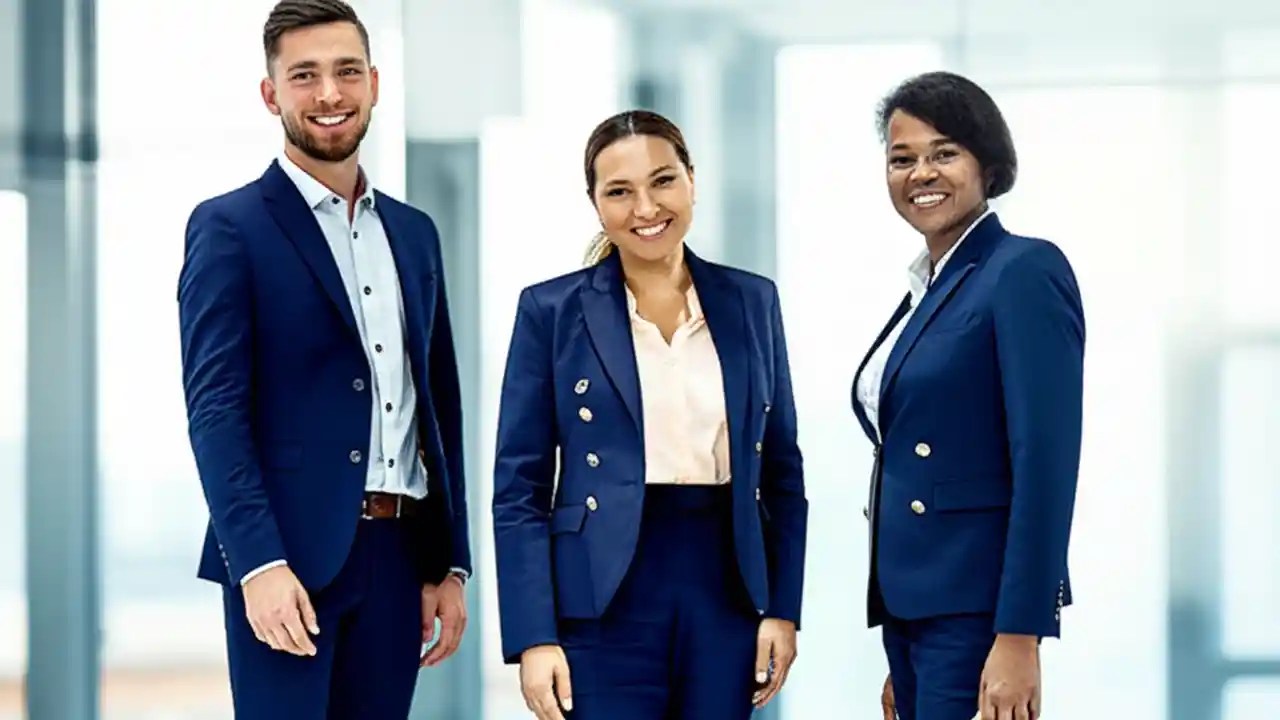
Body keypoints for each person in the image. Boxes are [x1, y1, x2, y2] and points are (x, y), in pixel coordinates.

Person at [176, 1, 471, 717]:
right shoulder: (229, 228)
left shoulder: (414, 233)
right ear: (271, 94)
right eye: (304, 76)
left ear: (373, 82)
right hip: (288, 563)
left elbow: (438, 403)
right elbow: (215, 413)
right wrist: (258, 564)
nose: (330, 94)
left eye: (345, 72)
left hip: (400, 559)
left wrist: (449, 562)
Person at [491, 109, 808, 720]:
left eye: (662, 181)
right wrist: (533, 636)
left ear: (692, 180)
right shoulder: (551, 311)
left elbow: (784, 475)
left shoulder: (752, 302)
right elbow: (519, 490)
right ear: (595, 202)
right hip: (601, 596)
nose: (645, 208)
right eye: (619, 191)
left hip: (725, 586)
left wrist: (783, 609)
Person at [852, 71, 1085, 720]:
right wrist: (907, 652)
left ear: (989, 163)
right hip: (913, 611)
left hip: (978, 612)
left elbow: (1044, 462)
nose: (920, 172)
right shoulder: (925, 289)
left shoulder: (1021, 271)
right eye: (902, 159)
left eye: (944, 153)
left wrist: (1020, 636)